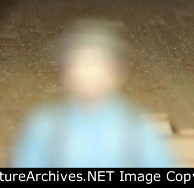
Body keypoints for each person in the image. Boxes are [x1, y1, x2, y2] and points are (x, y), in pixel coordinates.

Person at [10, 20, 177, 167]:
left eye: (98, 67)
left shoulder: (137, 128)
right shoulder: (44, 126)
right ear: (64, 73)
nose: (89, 76)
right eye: (81, 66)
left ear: (118, 73)